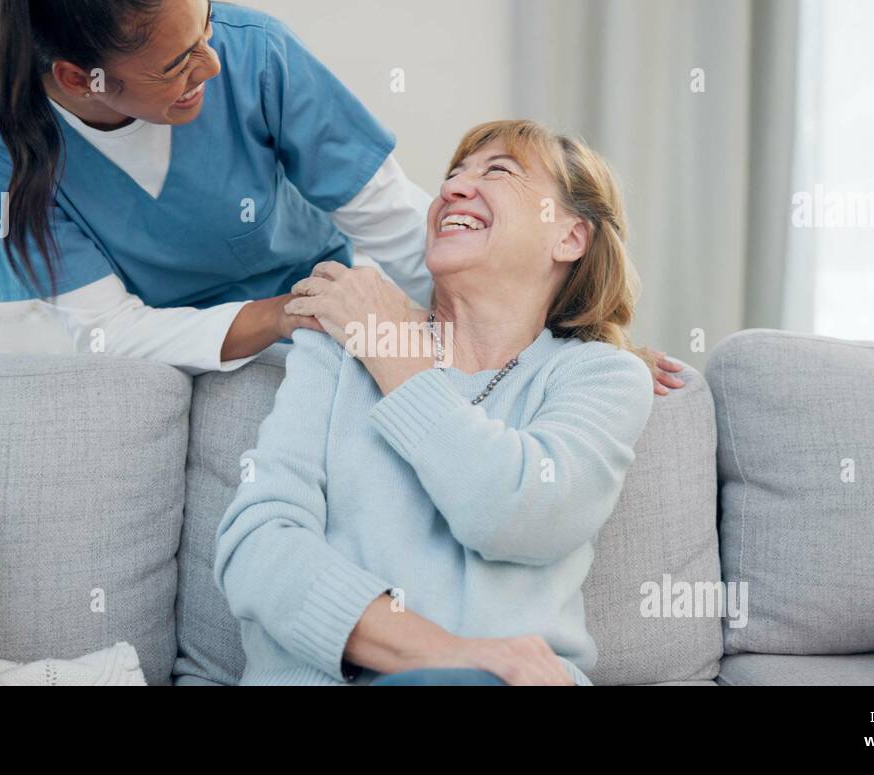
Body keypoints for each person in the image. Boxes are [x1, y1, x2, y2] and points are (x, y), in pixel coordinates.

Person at [0, 0, 686, 391]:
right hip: (196, 352)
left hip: (327, 330)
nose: (212, 61)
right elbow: (104, 333)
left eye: (207, 21)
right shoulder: (1, 142)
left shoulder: (259, 55)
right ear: (78, 77)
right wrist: (282, 315)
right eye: (179, 62)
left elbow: (407, 232)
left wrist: (582, 348)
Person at [215, 120, 657, 686]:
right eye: (452, 175)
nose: (452, 189)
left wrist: (390, 349)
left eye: (497, 171)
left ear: (570, 237)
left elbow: (515, 513)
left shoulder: (600, 376)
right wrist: (444, 654)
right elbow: (257, 548)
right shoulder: (335, 347)